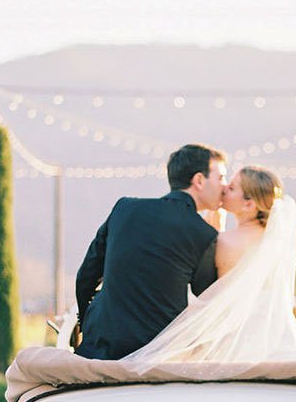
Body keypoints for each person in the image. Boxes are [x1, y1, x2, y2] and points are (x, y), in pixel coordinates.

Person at [122, 159, 296, 369]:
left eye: (232, 187)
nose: (225, 189)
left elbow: (209, 295)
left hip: (231, 349)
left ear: (248, 204)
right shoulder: (287, 234)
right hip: (284, 346)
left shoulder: (220, 241)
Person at [73, 143, 226, 360]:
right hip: (157, 354)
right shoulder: (204, 234)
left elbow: (85, 277)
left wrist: (85, 326)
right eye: (220, 177)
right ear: (199, 180)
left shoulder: (125, 209)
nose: (224, 186)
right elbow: (208, 299)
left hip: (99, 347)